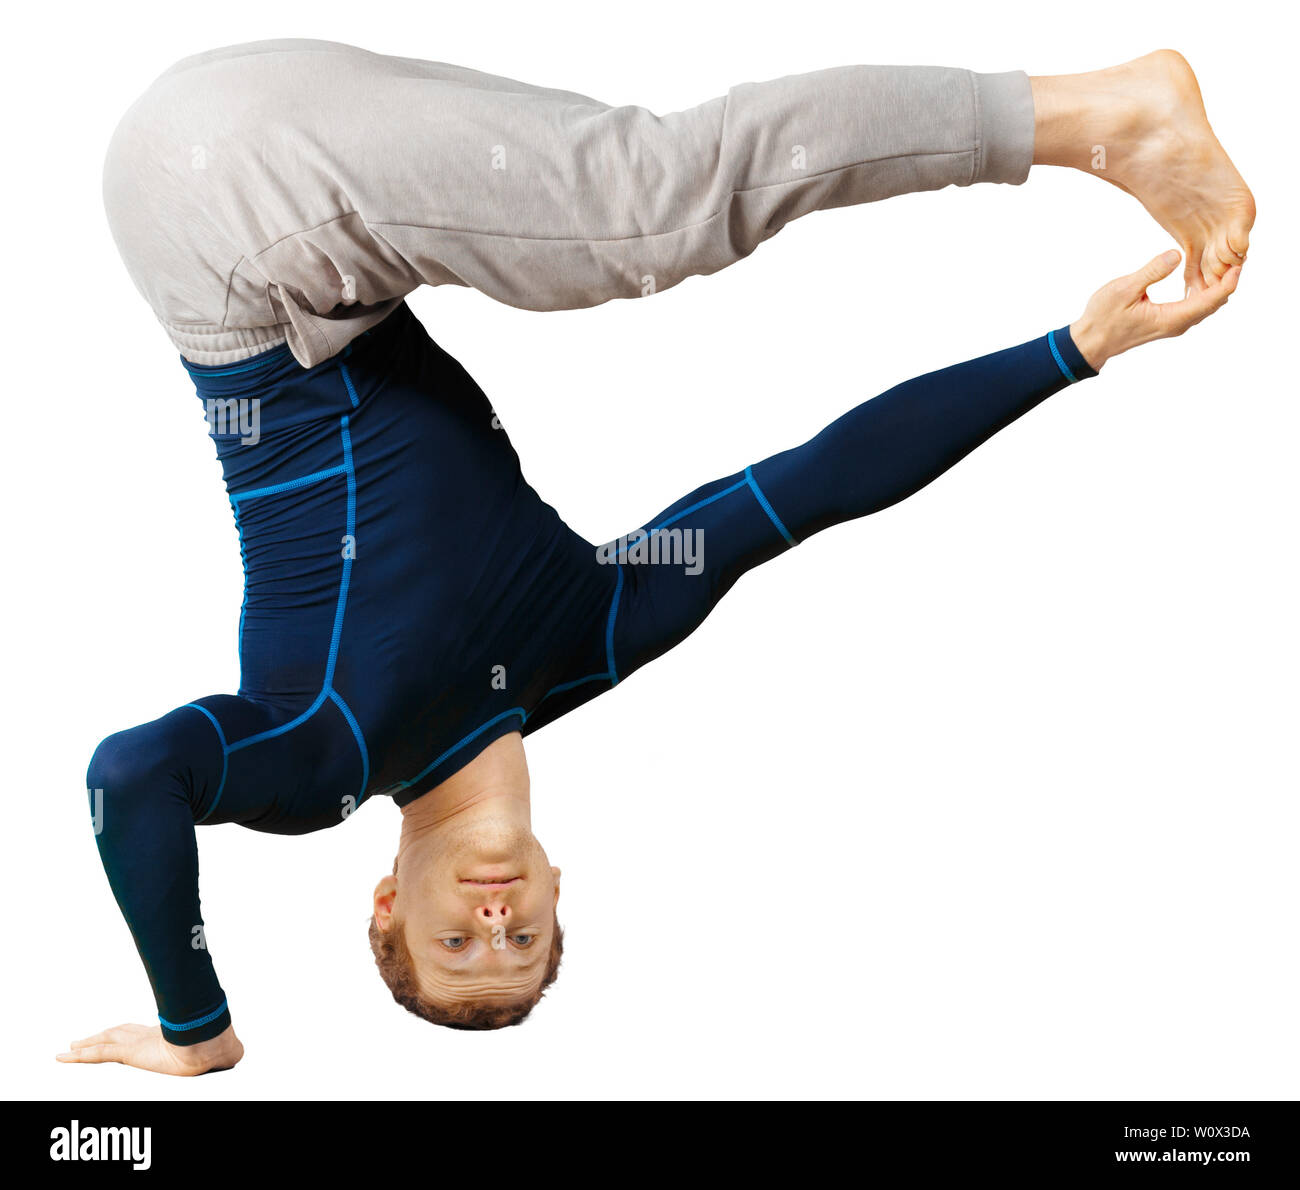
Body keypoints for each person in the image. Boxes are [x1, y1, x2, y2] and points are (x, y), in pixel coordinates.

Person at [62, 40, 1249, 1075]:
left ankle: (1104, 114)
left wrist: (197, 1021)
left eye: (455, 941)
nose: (493, 919)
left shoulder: (323, 754)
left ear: (386, 902)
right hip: (301, 214)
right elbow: (812, 484)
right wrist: (1073, 349)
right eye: (520, 941)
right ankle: (1097, 115)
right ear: (555, 886)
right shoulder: (594, 638)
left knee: (647, 201)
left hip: (235, 231)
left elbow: (132, 777)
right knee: (632, 182)